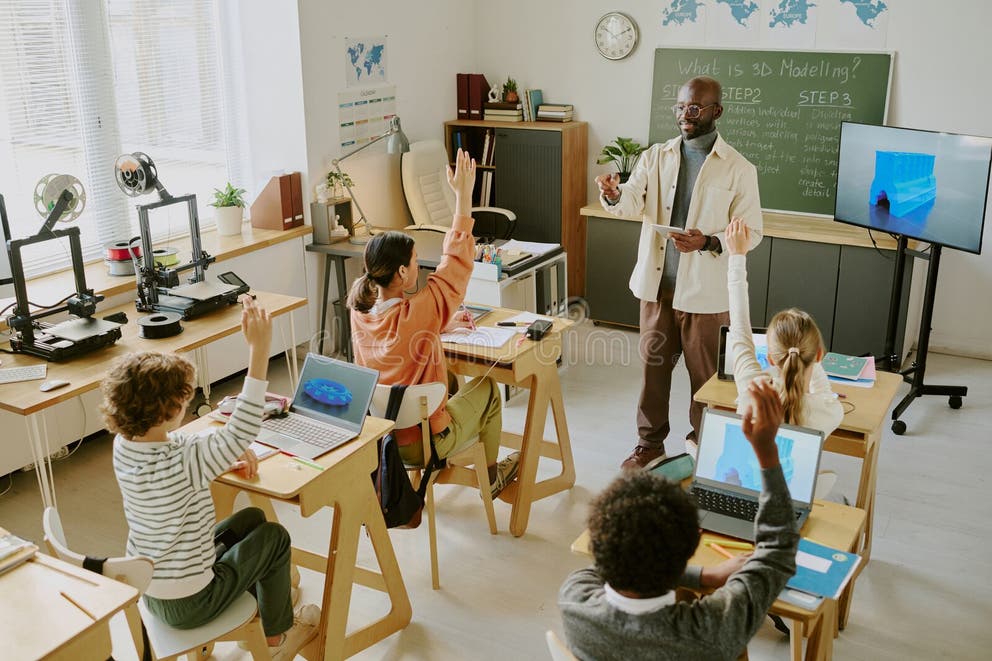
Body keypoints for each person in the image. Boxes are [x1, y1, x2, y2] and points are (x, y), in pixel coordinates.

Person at [101, 298, 319, 661]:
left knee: (251, 520)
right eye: (183, 403)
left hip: (153, 590)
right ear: (166, 412)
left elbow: (181, 442)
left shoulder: (124, 446)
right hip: (193, 602)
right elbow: (243, 427)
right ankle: (278, 636)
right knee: (275, 537)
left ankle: (271, 602)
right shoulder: (186, 460)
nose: (186, 409)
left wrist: (217, 453)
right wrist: (260, 350)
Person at [558, 380, 799, 661]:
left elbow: (614, 565)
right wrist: (767, 452)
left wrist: (704, 576)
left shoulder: (573, 599)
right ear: (692, 546)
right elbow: (777, 552)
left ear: (599, 544)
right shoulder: (711, 631)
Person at [595, 76, 763, 469]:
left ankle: (704, 446)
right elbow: (631, 200)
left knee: (705, 378)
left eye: (694, 108)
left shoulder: (739, 169)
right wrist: (613, 194)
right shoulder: (656, 156)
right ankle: (649, 444)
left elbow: (751, 232)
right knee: (653, 371)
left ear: (716, 112)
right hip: (658, 287)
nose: (685, 116)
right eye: (680, 108)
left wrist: (706, 241)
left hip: (705, 294)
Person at [348, 148, 520, 499]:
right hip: (425, 440)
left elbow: (398, 337)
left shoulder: (360, 313)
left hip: (385, 439)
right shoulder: (421, 312)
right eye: (414, 262)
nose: (418, 267)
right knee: (487, 391)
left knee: (451, 377)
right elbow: (455, 262)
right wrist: (462, 198)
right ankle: (492, 479)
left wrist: (439, 325)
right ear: (401, 272)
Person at [724, 217, 843, 433]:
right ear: (819, 356)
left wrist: (737, 256)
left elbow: (739, 326)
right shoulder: (830, 411)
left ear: (770, 359)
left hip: (754, 468)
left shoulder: (751, 390)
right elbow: (822, 389)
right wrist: (809, 358)